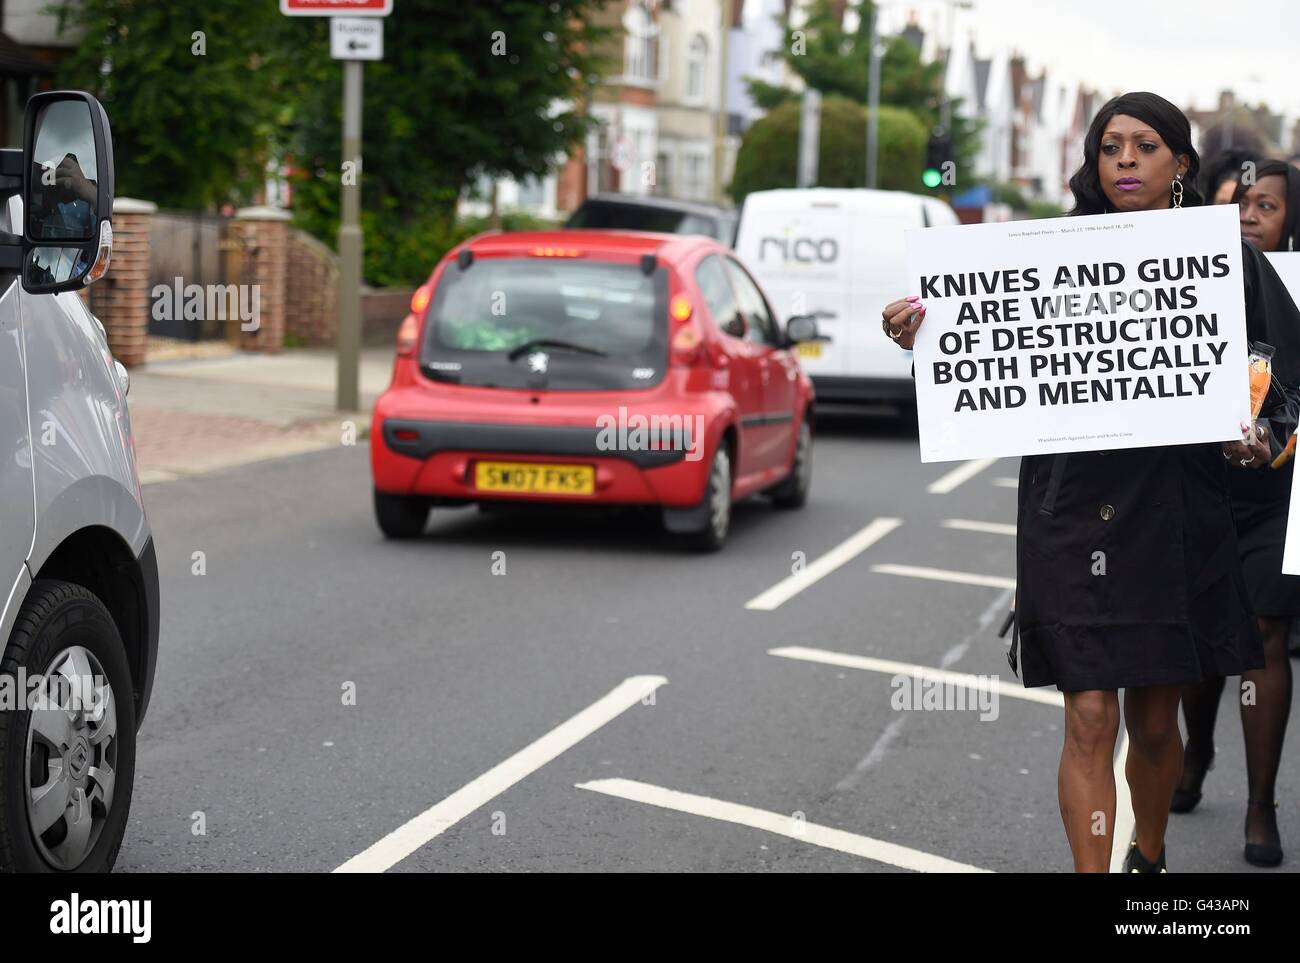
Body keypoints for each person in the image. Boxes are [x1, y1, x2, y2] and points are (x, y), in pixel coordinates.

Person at [880, 92, 1300, 873]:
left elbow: (1276, 377)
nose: (1126, 160)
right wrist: (921, 339)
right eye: (1110, 147)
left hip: (1175, 508)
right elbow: (986, 354)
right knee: (1088, 714)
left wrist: (1257, 434)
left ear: (1181, 163)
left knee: (1154, 722)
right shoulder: (1042, 253)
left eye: (1145, 145)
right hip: (1071, 509)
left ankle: (1149, 854)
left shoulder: (1224, 259)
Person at [1173, 159, 1300, 867]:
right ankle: (1197, 751)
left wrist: (1277, 436)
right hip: (1199, 487)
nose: (1248, 216)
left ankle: (1260, 804)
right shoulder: (1191, 278)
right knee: (1203, 635)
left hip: (1279, 495)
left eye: (1266, 206)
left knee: (1264, 634)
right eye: (1237, 204)